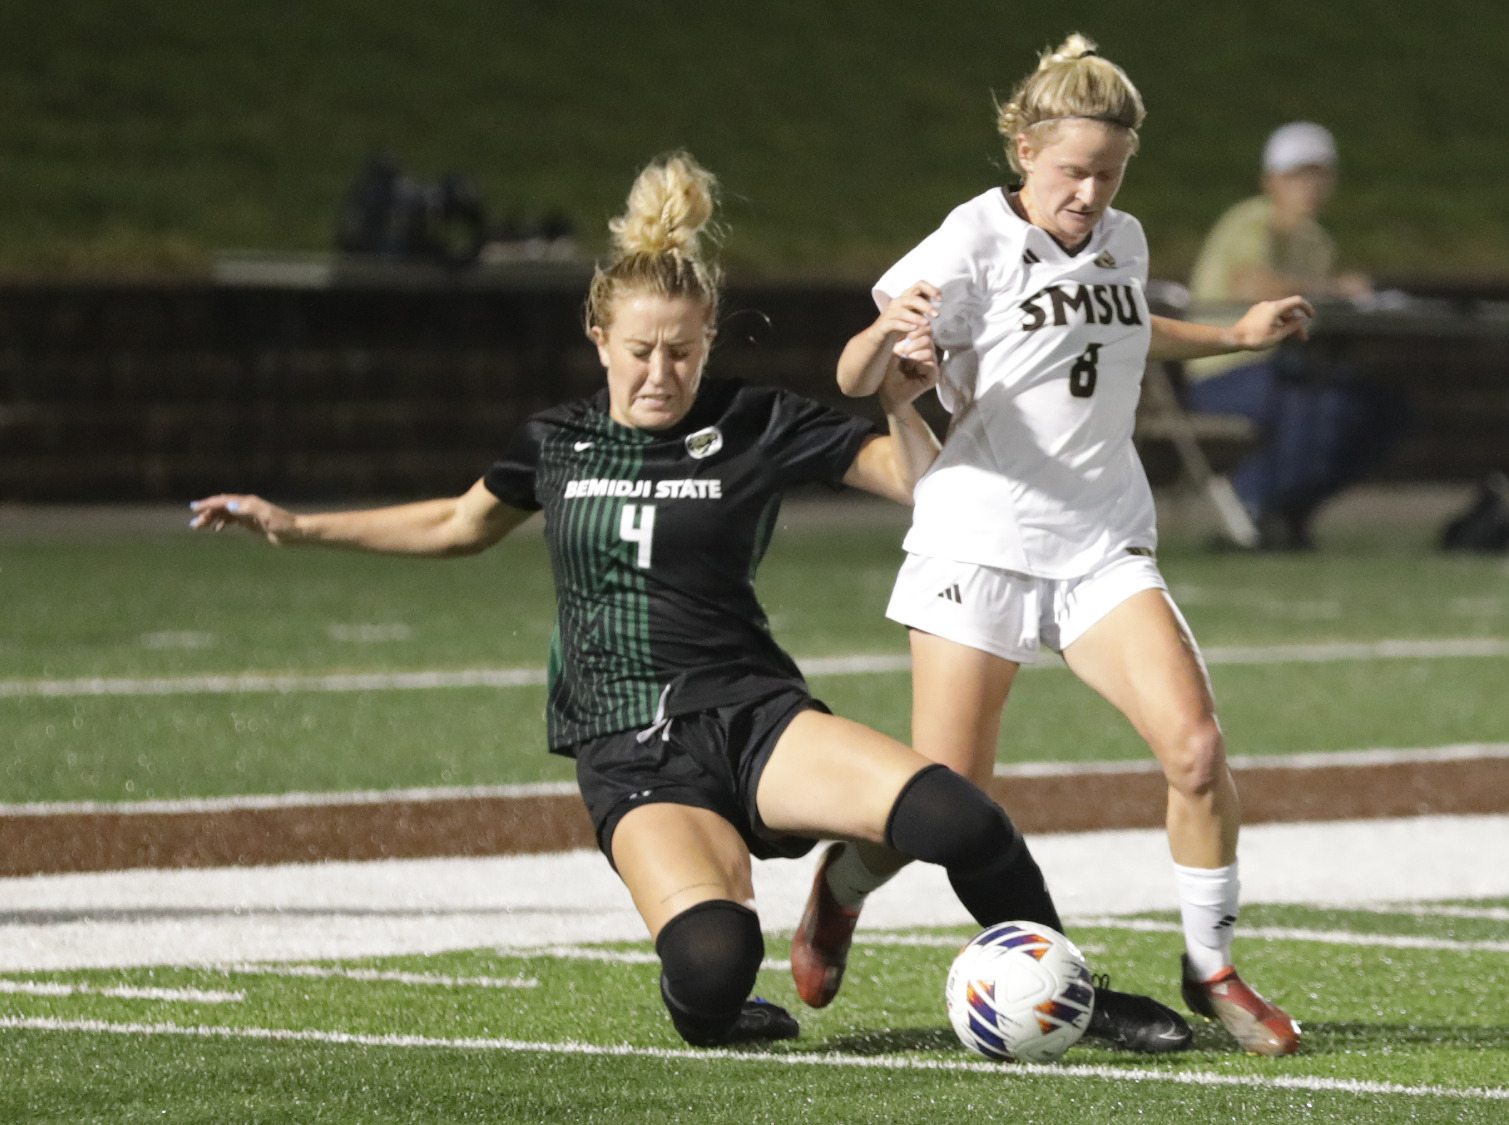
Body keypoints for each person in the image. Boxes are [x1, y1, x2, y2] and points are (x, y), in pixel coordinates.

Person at [189, 151, 1183, 1053]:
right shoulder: (555, 442)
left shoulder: (752, 419)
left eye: (680, 351)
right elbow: (456, 525)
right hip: (626, 745)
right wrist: (295, 523)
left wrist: (898, 395)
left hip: (751, 715)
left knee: (959, 817)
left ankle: (1074, 998)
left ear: (708, 336)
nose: (659, 373)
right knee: (712, 966)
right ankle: (707, 996)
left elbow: (929, 487)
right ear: (598, 338)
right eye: (638, 352)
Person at [795, 34, 1313, 1057]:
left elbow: (1120, 324)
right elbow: (858, 374)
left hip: (1098, 544)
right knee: (947, 807)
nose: (1088, 191)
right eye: (1072, 170)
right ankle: (839, 885)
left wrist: (1232, 336)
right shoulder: (969, 241)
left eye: (1108, 173)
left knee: (1197, 751)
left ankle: (1209, 966)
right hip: (976, 541)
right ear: (1024, 149)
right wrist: (880, 345)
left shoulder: (1122, 237)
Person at [1181, 121, 1406, 549]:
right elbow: (1252, 284)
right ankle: (1245, 502)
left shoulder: (1315, 242)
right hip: (1223, 370)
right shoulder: (1250, 221)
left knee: (1382, 412)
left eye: (1318, 175)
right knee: (1319, 409)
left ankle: (1288, 508)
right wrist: (1338, 290)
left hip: (1281, 367)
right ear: (1272, 182)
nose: (1310, 187)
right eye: (1297, 176)